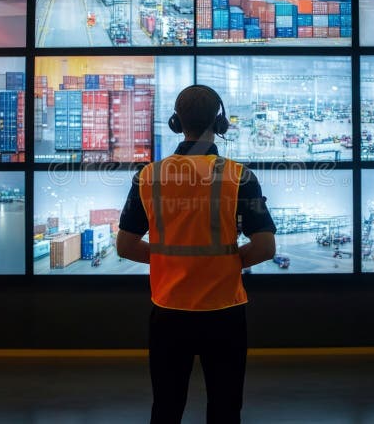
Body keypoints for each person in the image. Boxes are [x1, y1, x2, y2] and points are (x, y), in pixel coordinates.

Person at [116, 84, 277, 424]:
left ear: (176, 122)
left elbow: (126, 246)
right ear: (220, 125)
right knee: (225, 409)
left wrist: (170, 259)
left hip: (169, 312)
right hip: (225, 312)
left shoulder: (148, 176)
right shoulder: (239, 177)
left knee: (166, 408)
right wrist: (227, 263)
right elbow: (265, 247)